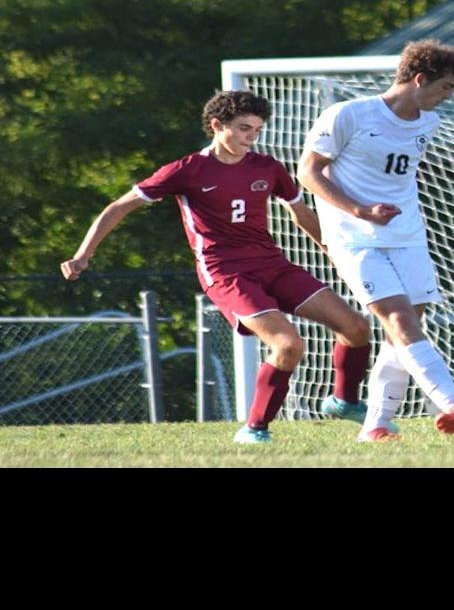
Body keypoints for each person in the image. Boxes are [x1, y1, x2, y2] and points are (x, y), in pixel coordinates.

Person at [61, 90, 372, 444]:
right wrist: (83, 254)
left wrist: (334, 252)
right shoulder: (187, 170)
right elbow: (119, 206)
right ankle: (255, 430)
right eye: (243, 128)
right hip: (226, 273)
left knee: (356, 326)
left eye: (256, 130)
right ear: (216, 125)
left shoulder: (267, 167)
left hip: (272, 264)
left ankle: (344, 401)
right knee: (288, 345)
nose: (251, 137)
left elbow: (300, 214)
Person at [298, 38, 454, 442]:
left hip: (408, 237)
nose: (448, 96)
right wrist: (359, 210)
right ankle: (453, 405)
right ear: (419, 79)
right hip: (355, 238)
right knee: (399, 320)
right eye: (446, 86)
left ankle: (377, 425)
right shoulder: (348, 114)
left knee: (404, 329)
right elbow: (308, 172)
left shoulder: (428, 123)